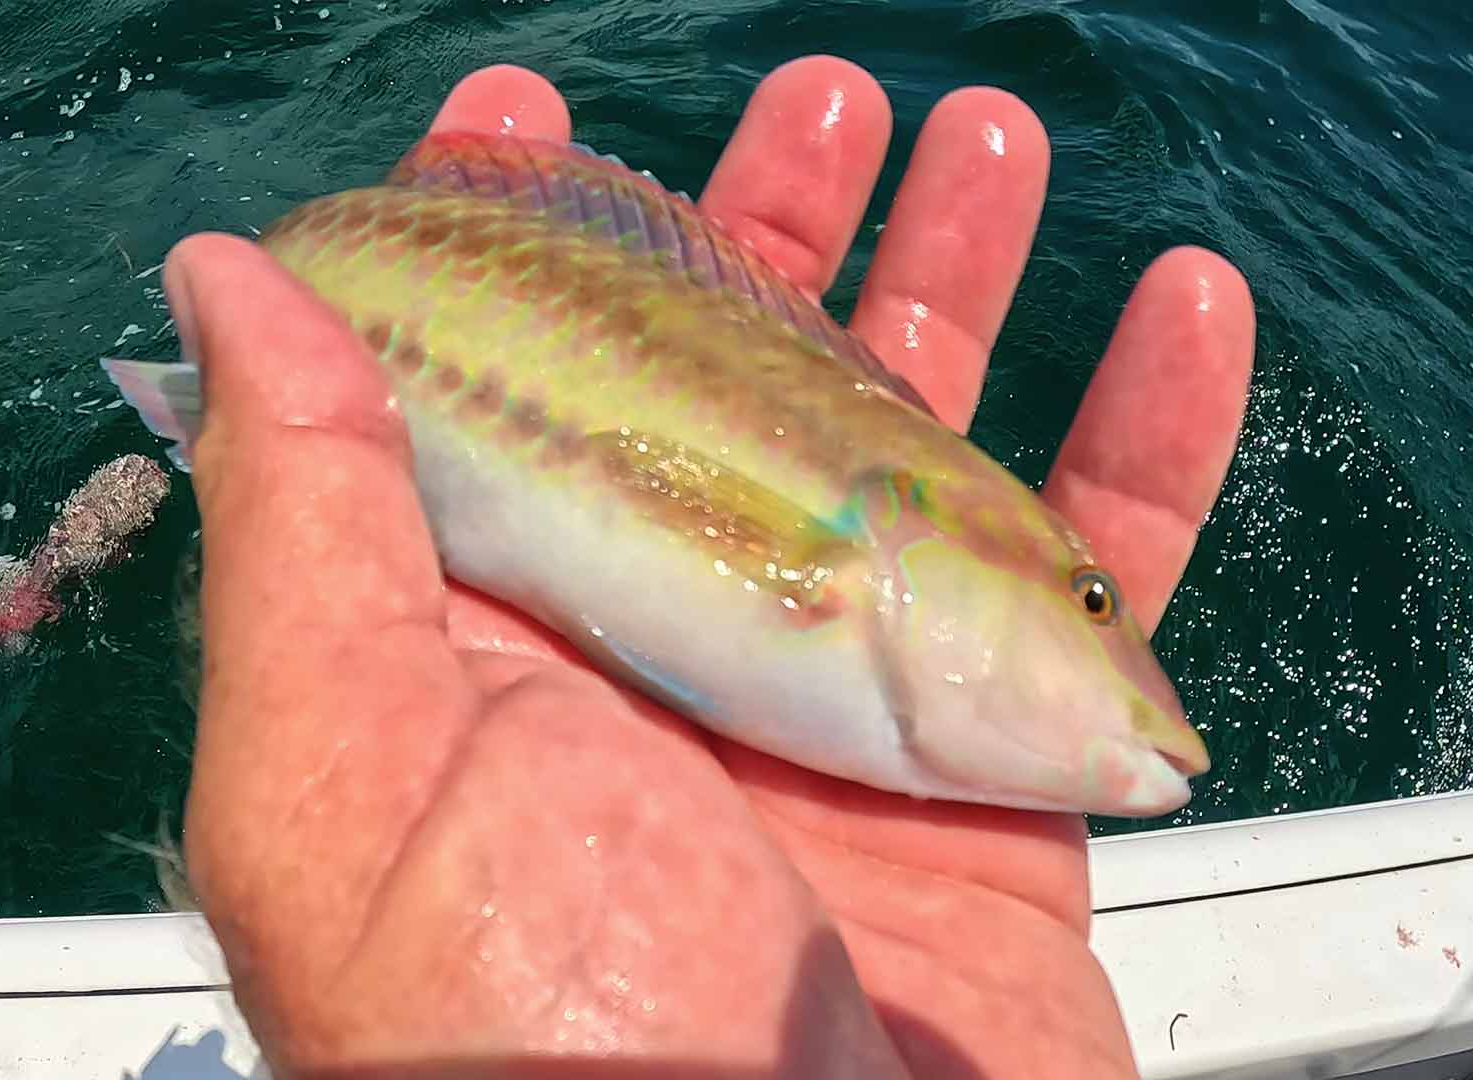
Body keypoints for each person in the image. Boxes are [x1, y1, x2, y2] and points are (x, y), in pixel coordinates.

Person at [160, 59, 1255, 1079]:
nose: (1126, 667)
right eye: (1092, 600)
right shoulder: (846, 561)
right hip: (360, 273)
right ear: (920, 528)